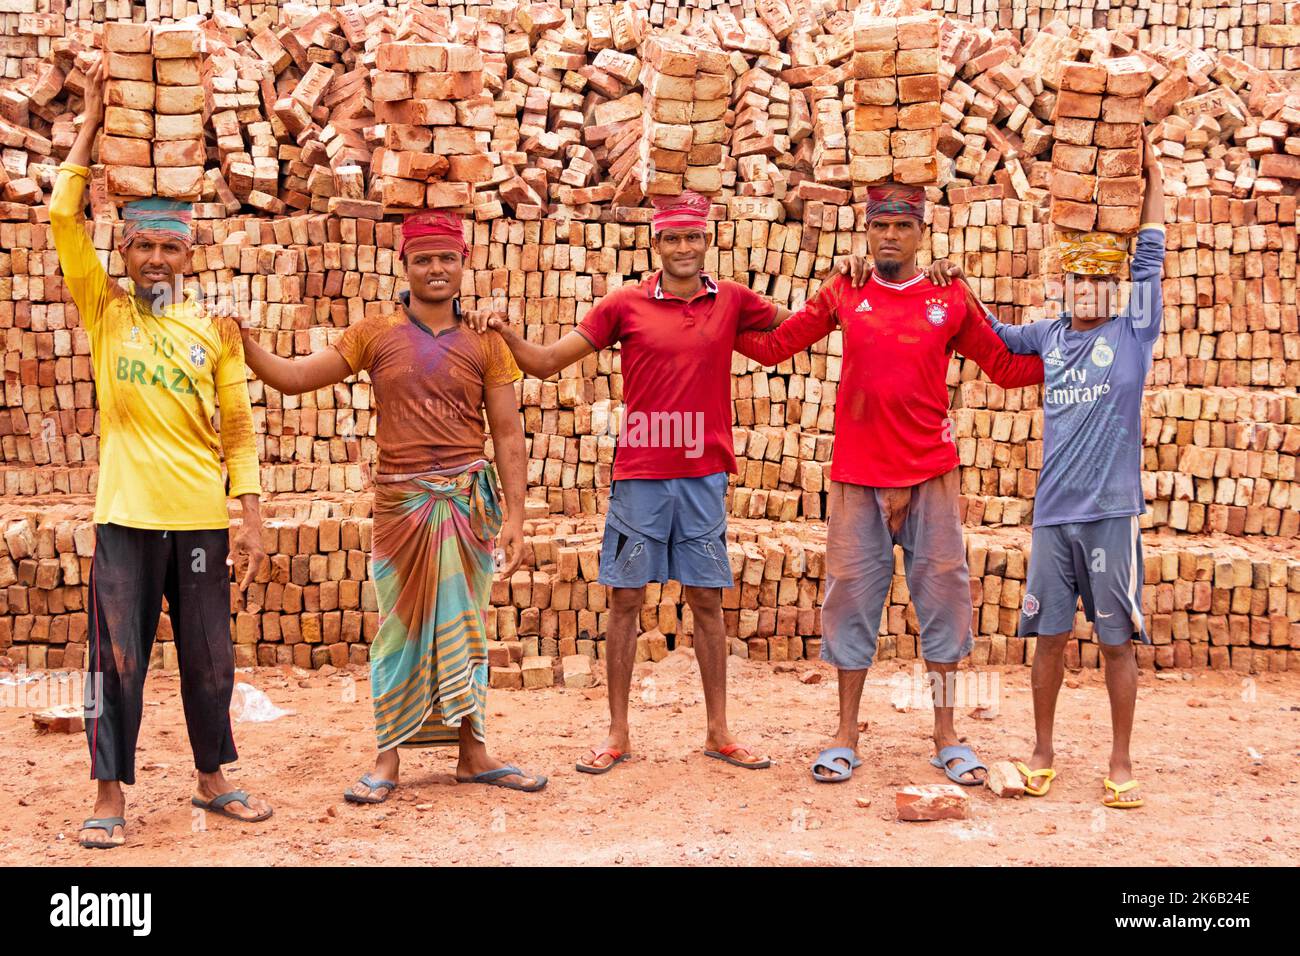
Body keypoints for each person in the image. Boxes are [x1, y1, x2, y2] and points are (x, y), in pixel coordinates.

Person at [733, 183, 1045, 786]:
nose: (891, 237)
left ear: (921, 234)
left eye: (903, 227)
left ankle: (947, 735)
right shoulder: (846, 290)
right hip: (858, 475)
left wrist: (1081, 351)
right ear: (867, 233)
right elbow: (777, 345)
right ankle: (845, 736)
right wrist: (712, 319)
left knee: (945, 604)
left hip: (932, 474)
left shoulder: (947, 295)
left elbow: (1005, 367)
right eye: (881, 227)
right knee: (850, 605)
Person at [239, 208, 547, 800]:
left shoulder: (487, 339)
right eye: (424, 259)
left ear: (464, 263)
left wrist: (515, 516)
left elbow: (508, 434)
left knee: (465, 630)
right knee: (397, 631)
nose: (436, 269)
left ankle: (472, 752)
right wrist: (247, 344)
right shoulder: (372, 334)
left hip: (464, 506)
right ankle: (387, 758)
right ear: (403, 265)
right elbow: (296, 377)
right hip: (401, 506)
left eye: (446, 258)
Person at [52, 59, 271, 849]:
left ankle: (214, 779)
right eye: (141, 247)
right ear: (126, 253)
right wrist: (89, 125)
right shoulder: (106, 311)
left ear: (189, 257)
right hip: (125, 521)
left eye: (167, 251)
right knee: (115, 665)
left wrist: (249, 515)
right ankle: (109, 795)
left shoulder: (213, 331)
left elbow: (239, 428)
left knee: (211, 661)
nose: (153, 262)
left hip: (201, 523)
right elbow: (60, 222)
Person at [947, 131, 1166, 809]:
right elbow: (995, 337)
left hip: (1110, 515)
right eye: (1077, 280)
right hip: (1053, 519)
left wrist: (1152, 179)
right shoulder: (1049, 335)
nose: (1088, 292)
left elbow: (1152, 253)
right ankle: (1042, 751)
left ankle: (1120, 760)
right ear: (1064, 282)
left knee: (1116, 642)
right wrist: (957, 289)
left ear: (1114, 286)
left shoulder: (1132, 331)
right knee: (1046, 637)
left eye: (1101, 281)